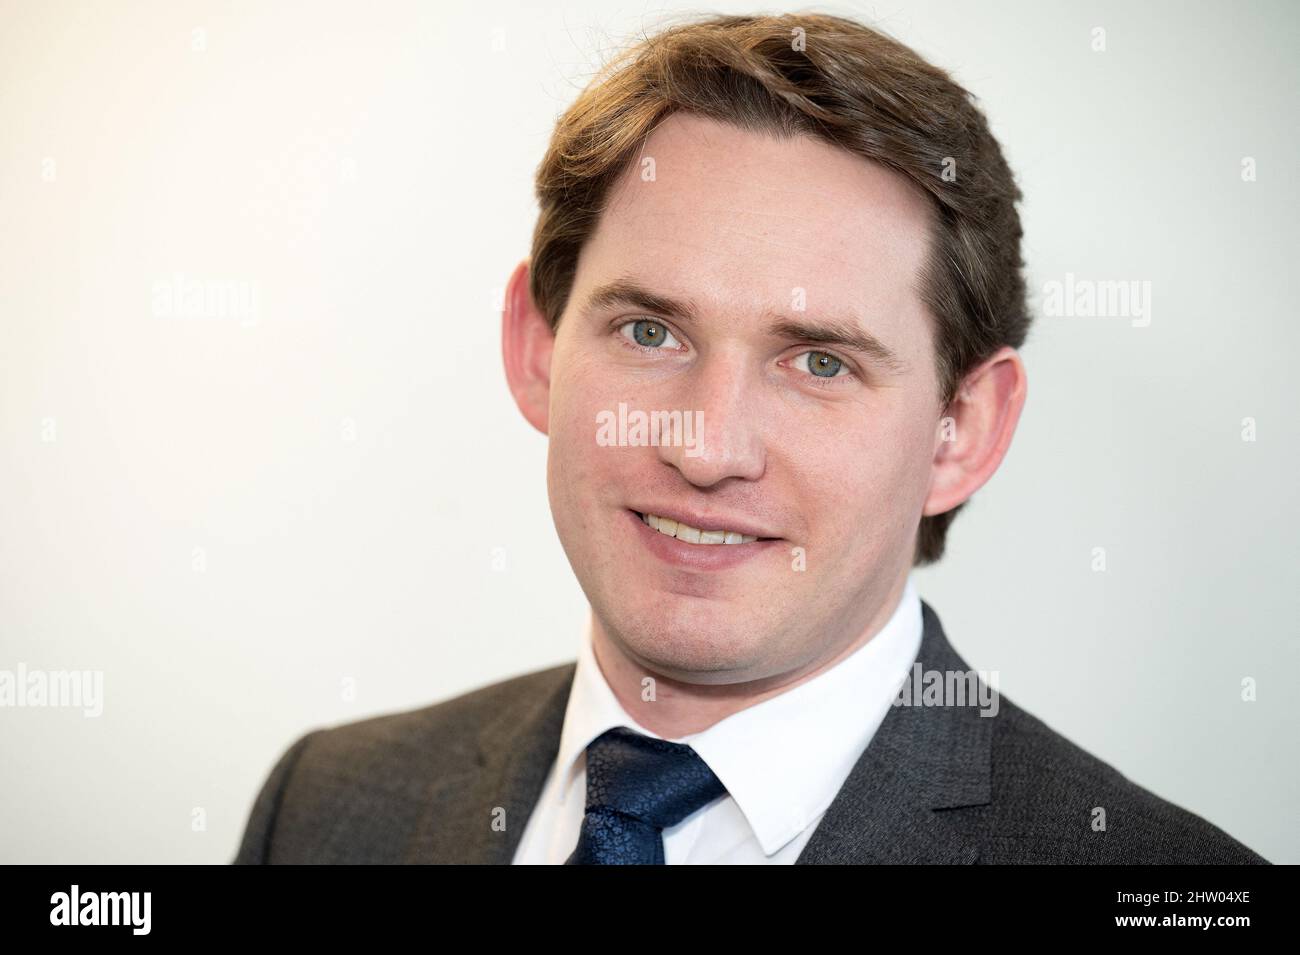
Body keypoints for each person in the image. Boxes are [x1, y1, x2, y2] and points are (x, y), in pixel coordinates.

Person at [233, 12, 1267, 864]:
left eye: (818, 360)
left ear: (961, 430)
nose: (705, 445)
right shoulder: (324, 813)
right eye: (649, 330)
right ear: (537, 348)